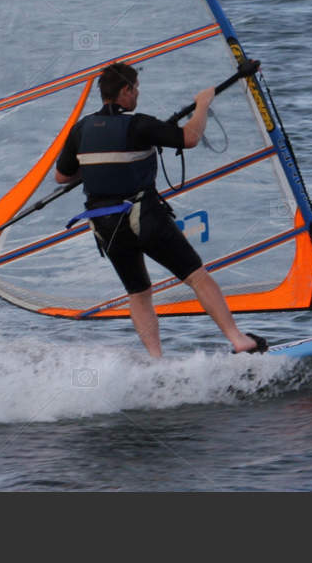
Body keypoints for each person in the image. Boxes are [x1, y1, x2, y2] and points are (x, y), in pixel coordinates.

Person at [54, 61, 267, 357]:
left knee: (138, 293)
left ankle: (157, 361)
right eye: (136, 89)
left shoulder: (81, 130)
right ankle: (238, 339)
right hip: (144, 217)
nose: (137, 94)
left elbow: (62, 176)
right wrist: (202, 105)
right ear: (126, 90)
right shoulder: (139, 124)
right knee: (196, 277)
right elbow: (189, 137)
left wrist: (99, 165)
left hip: (105, 225)